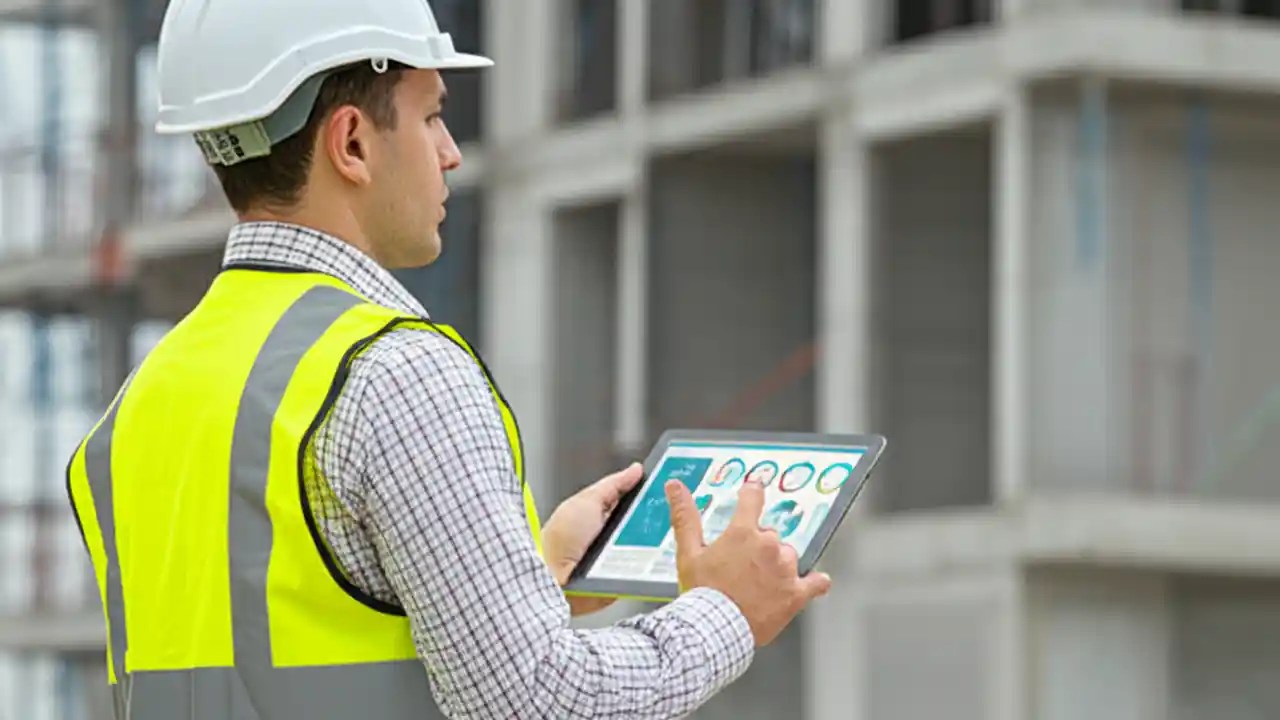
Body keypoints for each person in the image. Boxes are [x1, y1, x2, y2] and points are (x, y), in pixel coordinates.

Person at [64, 2, 831, 719]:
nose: (451, 153)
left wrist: (533, 580)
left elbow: (274, 652)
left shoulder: (140, 403)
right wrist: (726, 613)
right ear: (353, 143)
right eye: (431, 115)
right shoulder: (394, 373)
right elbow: (533, 700)